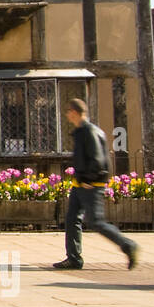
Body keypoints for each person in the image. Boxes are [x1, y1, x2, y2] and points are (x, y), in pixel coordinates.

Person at [52, 98, 139, 271]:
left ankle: (128, 245)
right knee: (72, 219)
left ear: (75, 112)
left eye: (68, 111)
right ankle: (74, 258)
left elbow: (98, 160)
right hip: (80, 184)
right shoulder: (82, 131)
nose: (67, 114)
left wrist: (89, 180)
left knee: (96, 221)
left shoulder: (89, 131)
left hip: (90, 184)